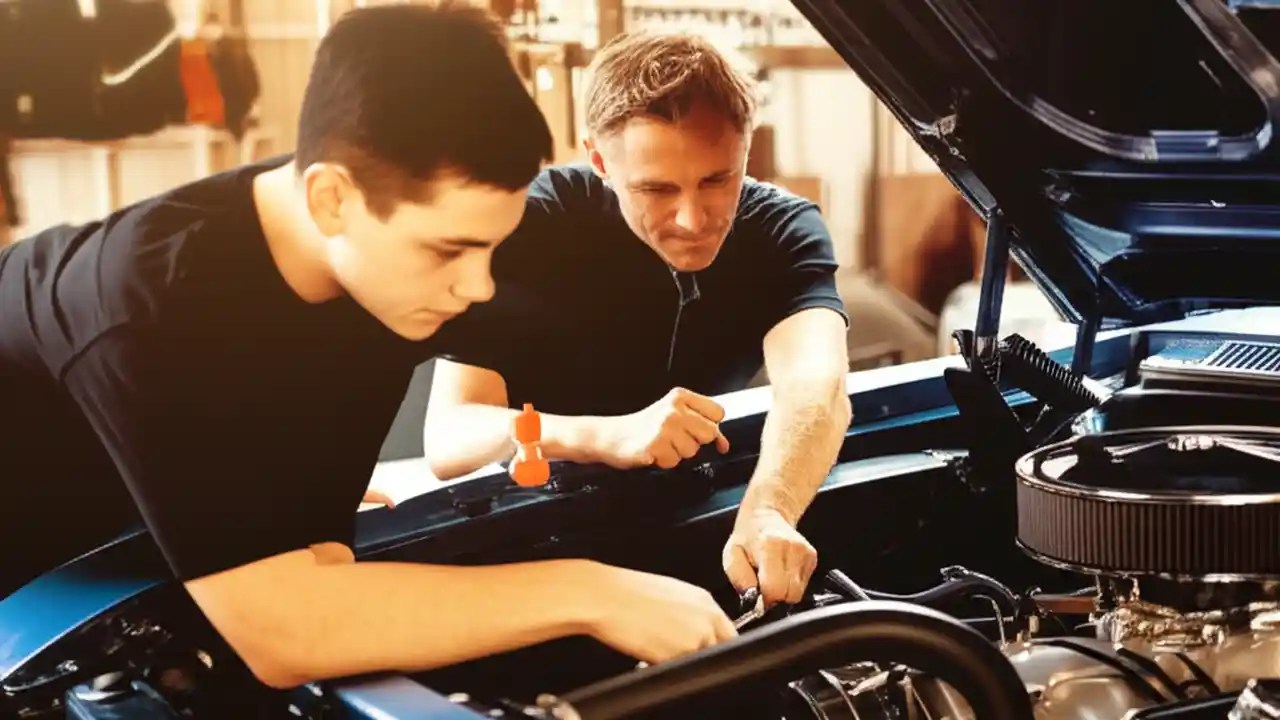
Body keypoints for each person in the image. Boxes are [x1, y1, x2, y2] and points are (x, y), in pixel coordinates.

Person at [0, 4, 735, 690]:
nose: (477, 289)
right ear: (331, 199)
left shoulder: (388, 254)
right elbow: (279, 634)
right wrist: (590, 590)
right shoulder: (150, 309)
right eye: (451, 251)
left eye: (492, 248)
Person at [421, 31, 853, 608]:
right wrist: (606, 434)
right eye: (656, 188)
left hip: (690, 523)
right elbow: (449, 436)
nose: (693, 218)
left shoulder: (783, 230)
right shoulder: (533, 225)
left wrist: (770, 508)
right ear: (598, 159)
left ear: (747, 148)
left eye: (717, 179)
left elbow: (818, 391)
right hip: (536, 544)